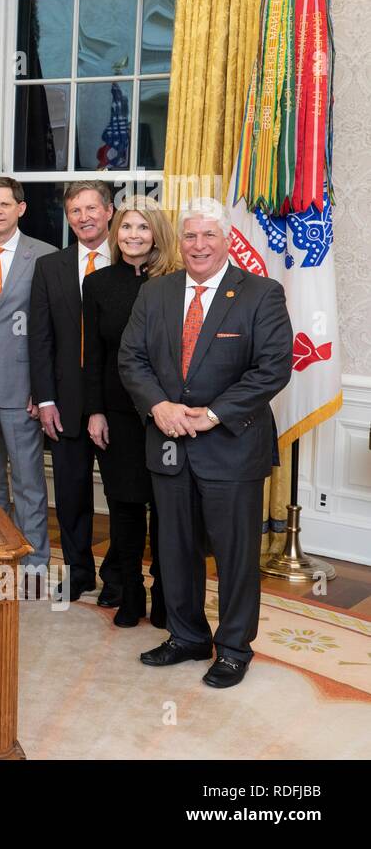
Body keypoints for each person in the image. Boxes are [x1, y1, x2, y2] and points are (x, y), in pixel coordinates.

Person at [119, 197, 292, 688]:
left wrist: (214, 414)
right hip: (169, 441)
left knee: (236, 556)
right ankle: (187, 636)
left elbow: (273, 367)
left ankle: (234, 647)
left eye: (208, 235)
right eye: (190, 235)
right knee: (174, 549)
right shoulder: (156, 293)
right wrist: (159, 407)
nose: (198, 245)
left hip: (232, 445)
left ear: (227, 240)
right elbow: (132, 360)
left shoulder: (261, 293)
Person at [83, 196, 175, 628]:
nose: (133, 235)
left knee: (164, 506)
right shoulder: (98, 284)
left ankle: (164, 594)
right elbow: (94, 356)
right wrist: (94, 411)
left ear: (156, 232)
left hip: (163, 412)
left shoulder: (174, 282)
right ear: (114, 232)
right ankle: (130, 592)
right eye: (126, 227)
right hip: (116, 413)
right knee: (124, 504)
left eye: (142, 227)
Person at [29, 180, 121, 604]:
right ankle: (79, 571)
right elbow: (41, 338)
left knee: (122, 497)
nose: (83, 218)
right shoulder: (52, 266)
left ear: (108, 211)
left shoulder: (130, 261)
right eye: (74, 211)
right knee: (70, 495)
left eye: (90, 209)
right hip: (64, 402)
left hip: (118, 403)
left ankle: (118, 578)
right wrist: (44, 398)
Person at [0, 177, 55, 579]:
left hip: (21, 385)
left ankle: (34, 563)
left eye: (5, 204)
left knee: (28, 479)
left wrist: (44, 388)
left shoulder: (46, 256)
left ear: (21, 209)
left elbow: (50, 330)